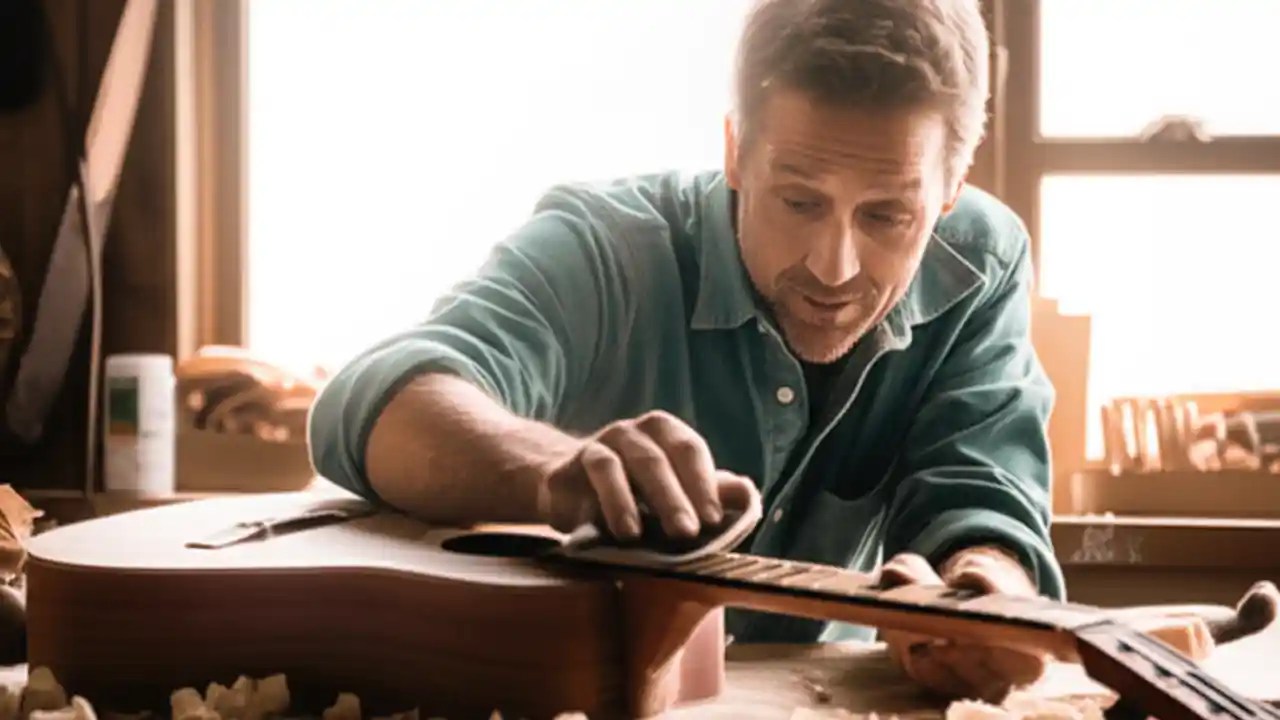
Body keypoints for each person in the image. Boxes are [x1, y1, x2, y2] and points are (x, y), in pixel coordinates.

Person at [307, 0, 1065, 704]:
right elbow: (373, 405)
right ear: (736, 151)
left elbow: (979, 485)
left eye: (887, 215)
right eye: (800, 201)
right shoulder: (606, 248)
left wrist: (987, 588)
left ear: (951, 186)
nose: (835, 268)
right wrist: (554, 475)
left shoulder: (980, 265)